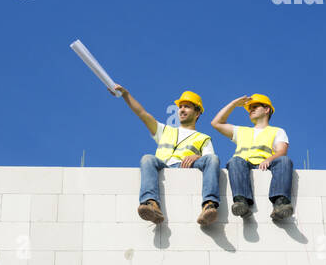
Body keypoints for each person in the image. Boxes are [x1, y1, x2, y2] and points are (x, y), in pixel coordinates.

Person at [116, 87, 220, 226]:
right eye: (180, 107)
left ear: (197, 113)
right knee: (147, 158)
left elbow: (211, 160)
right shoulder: (165, 130)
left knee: (213, 159)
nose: (182, 110)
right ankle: (151, 204)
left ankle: (209, 205)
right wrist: (125, 94)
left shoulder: (203, 138)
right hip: (164, 165)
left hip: (186, 167)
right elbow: (141, 113)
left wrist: (197, 157)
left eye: (187, 107)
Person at [210, 94, 294, 221]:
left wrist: (269, 159)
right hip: (243, 165)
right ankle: (241, 202)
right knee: (235, 161)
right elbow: (216, 123)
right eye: (250, 108)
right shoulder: (241, 131)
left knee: (284, 161)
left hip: (265, 164)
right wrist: (233, 104)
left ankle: (280, 203)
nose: (251, 110)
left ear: (267, 109)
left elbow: (282, 151)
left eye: (255, 106)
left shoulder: (277, 131)